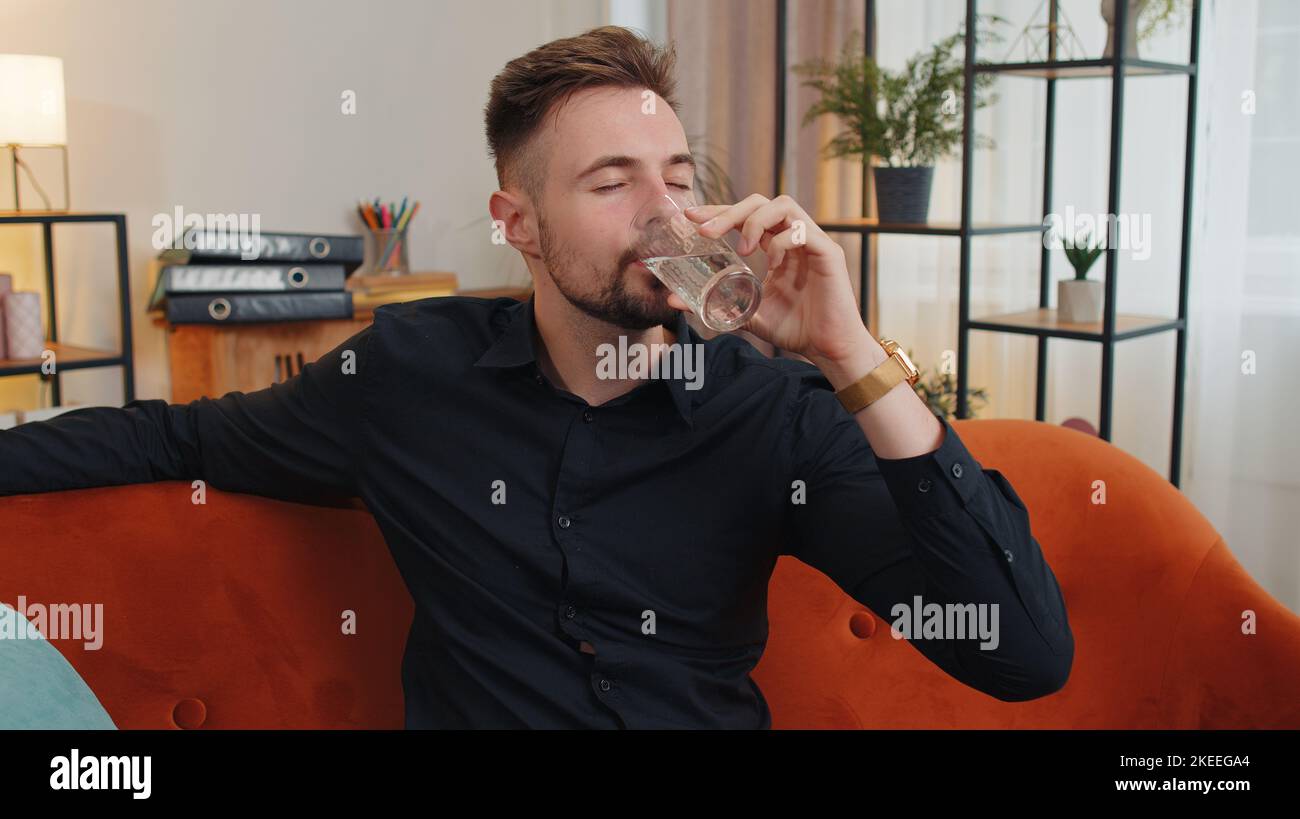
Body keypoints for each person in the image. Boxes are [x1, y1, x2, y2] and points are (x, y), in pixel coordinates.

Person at [0, 25, 1072, 729]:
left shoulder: (776, 416)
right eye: (612, 183)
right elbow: (175, 439)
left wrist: (852, 355)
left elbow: (1019, 656)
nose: (664, 216)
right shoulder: (408, 374)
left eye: (679, 181)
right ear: (517, 222)